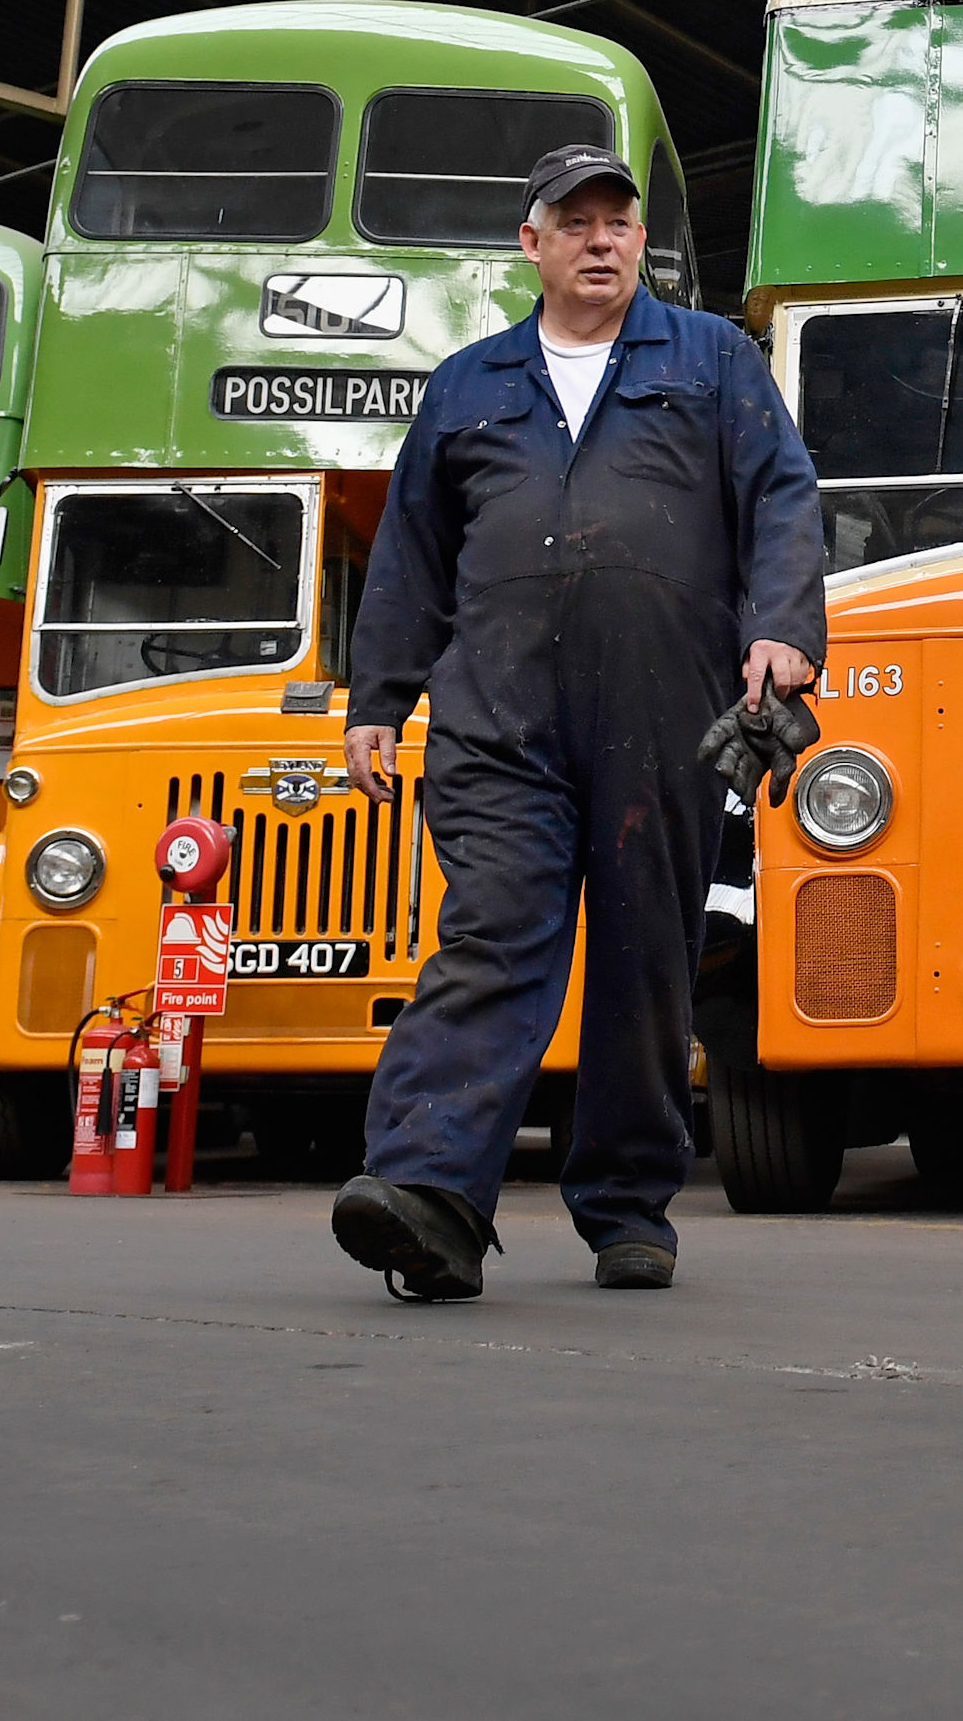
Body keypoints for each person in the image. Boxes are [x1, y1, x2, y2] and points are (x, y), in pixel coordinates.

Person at [330, 143, 825, 1301]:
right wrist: (379, 699)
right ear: (532, 243)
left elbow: (783, 495)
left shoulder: (712, 358)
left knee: (647, 958)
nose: (603, 238)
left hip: (660, 709)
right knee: (494, 931)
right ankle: (426, 1189)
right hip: (498, 710)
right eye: (577, 220)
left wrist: (786, 628)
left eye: (620, 220)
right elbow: (410, 551)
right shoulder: (467, 381)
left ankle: (627, 1203)